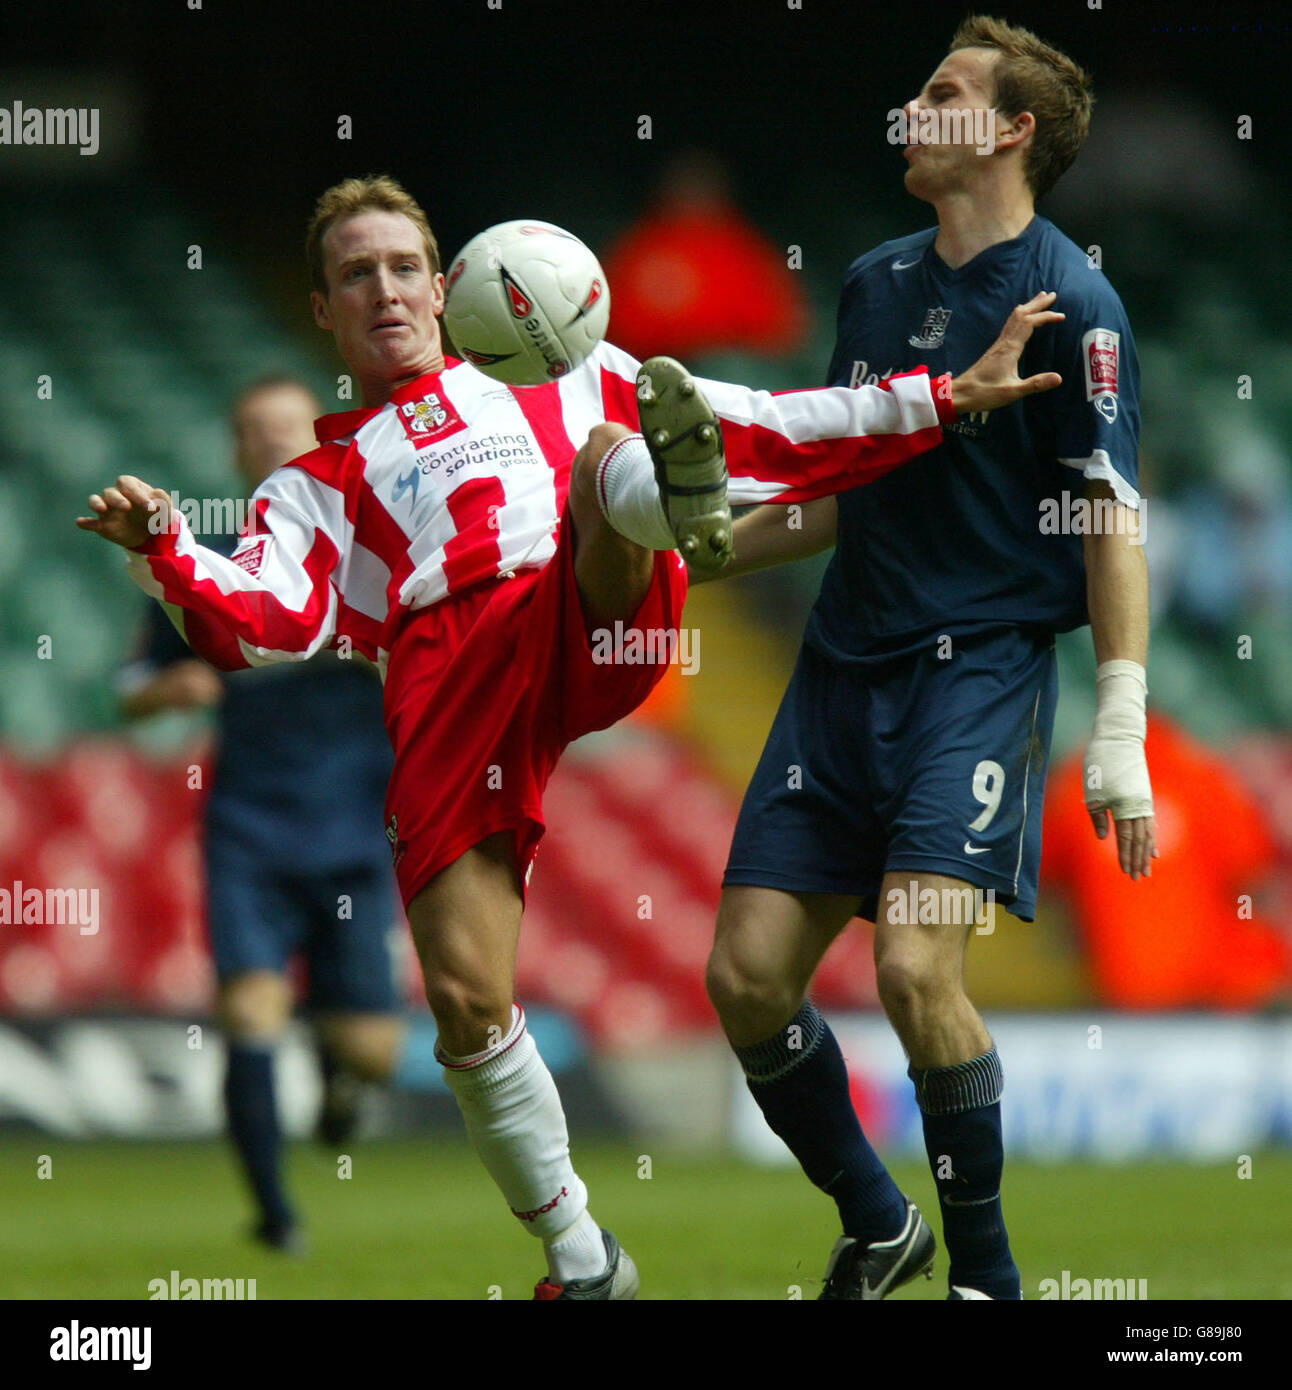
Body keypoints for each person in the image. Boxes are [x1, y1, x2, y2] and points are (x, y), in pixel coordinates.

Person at [78, 174, 1058, 1299]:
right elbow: (262, 620)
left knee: (603, 450)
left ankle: (654, 495)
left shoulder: (556, 361)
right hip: (452, 684)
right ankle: (584, 1259)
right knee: (462, 1003)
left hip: (583, 612)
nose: (384, 291)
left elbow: (771, 422)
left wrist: (938, 397)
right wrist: (163, 545)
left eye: (403, 268)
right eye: (356, 275)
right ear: (322, 310)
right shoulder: (317, 484)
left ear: (444, 287)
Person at [705, 16, 1156, 1300]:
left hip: (975, 679)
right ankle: (875, 1219)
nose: (911, 105)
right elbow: (851, 483)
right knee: (743, 976)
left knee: (912, 966)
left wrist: (1118, 724)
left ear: (1010, 130)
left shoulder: (1077, 302)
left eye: (941, 91)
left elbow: (1111, 517)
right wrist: (701, 554)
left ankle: (988, 1278)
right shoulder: (874, 283)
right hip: (841, 667)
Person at [117, 376, 403, 1253]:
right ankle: (276, 1217)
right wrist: (168, 687)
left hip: (355, 829)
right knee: (248, 1013)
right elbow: (127, 689)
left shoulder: (372, 554)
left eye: (285, 428)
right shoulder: (205, 563)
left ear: (320, 436)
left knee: (375, 1052)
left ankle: (339, 1074)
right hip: (248, 827)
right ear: (239, 455)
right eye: (252, 432)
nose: (270, 443)